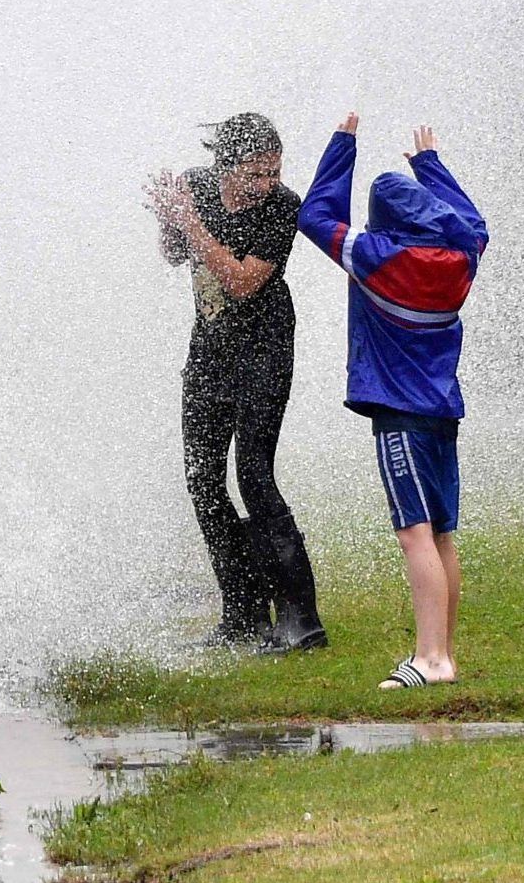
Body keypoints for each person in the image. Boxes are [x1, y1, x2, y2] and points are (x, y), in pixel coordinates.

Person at [296, 116, 488, 690]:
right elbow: (473, 224)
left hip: (399, 416)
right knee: (442, 535)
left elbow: (315, 218)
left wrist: (342, 146)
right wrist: (430, 167)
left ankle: (430, 660)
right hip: (441, 411)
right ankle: (444, 656)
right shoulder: (462, 259)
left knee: (414, 533)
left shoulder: (377, 256)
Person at [148, 112, 327, 652]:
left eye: (273, 171)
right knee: (203, 482)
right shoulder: (196, 185)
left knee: (254, 476)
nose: (265, 185)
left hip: (265, 351)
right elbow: (175, 254)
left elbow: (243, 281)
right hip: (210, 352)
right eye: (255, 174)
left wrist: (191, 223)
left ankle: (301, 618)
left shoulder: (283, 207)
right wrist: (168, 221)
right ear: (225, 166)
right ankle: (243, 613)